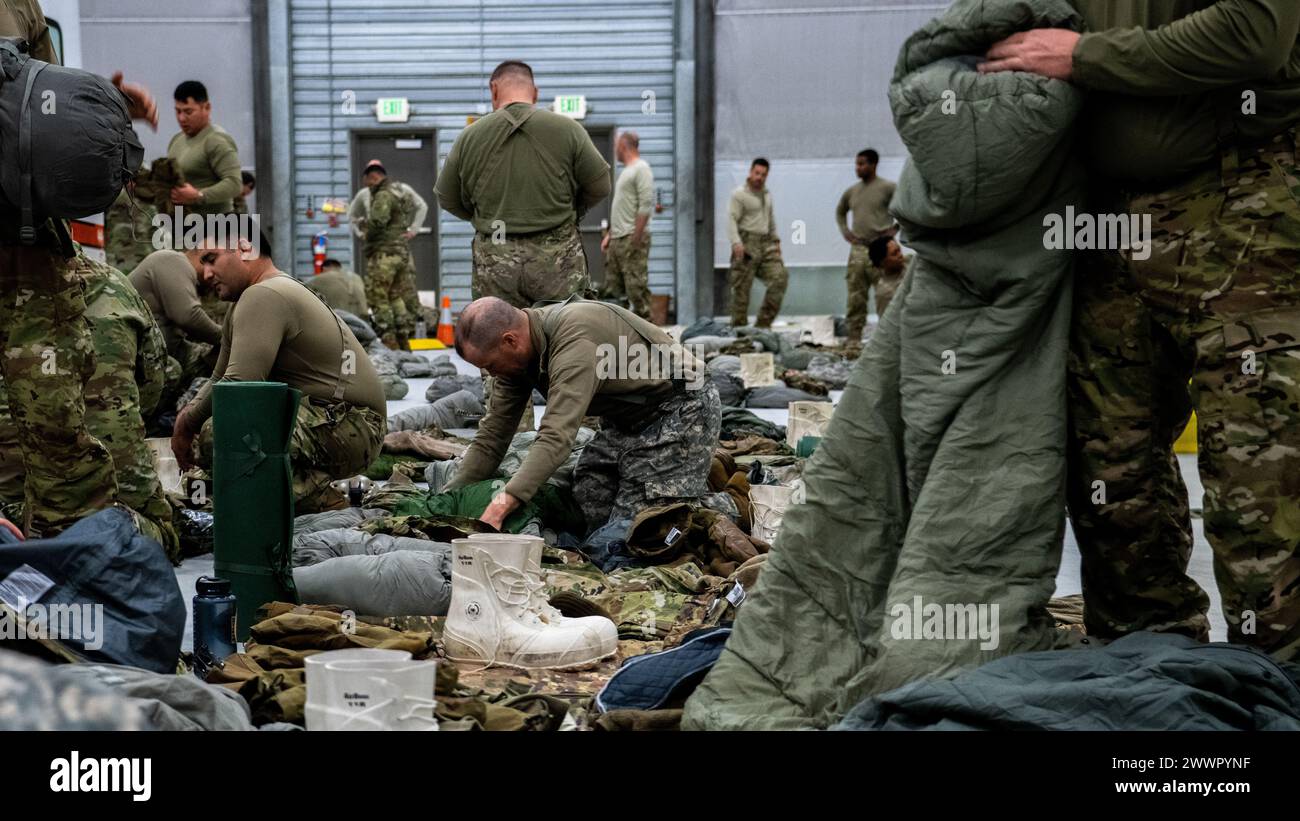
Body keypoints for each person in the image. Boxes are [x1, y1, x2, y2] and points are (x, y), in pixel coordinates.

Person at [981, 0, 1300, 660]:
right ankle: (1152, 679)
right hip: (1103, 214)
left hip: (1244, 197)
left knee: (1260, 482)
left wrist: (1082, 58)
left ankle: (1278, 687)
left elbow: (1256, 35)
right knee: (1112, 475)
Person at [0, 0, 158, 538]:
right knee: (51, 398)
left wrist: (101, 110)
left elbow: (40, 105)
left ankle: (65, 549)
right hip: (25, 244)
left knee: (51, 401)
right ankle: (73, 552)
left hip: (24, 237)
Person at [449, 296, 721, 535]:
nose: (491, 374)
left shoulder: (573, 342)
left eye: (490, 365)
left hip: (681, 408)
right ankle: (679, 483)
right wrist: (448, 500)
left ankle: (718, 505)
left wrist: (501, 506)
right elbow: (492, 437)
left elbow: (556, 437)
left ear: (510, 340)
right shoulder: (516, 359)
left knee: (636, 529)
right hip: (625, 419)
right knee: (589, 498)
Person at [170, 227, 386, 513]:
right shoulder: (251, 298)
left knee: (222, 431)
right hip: (336, 421)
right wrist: (188, 420)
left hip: (354, 427)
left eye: (212, 259)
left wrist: (188, 425)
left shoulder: (266, 294)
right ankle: (294, 485)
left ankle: (314, 495)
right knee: (215, 440)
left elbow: (238, 386)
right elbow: (219, 377)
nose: (206, 273)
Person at [0, 256, 179, 559]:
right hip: (116, 503)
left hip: (13, 512)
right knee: (161, 535)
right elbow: (153, 384)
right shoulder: (115, 285)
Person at [435, 60, 611, 307]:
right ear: (535, 93)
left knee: (499, 335)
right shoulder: (568, 130)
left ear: (493, 90)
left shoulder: (469, 136)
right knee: (562, 335)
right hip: (558, 259)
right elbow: (600, 186)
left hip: (496, 258)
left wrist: (485, 216)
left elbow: (447, 197)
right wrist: (570, 212)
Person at [128, 247, 222, 398]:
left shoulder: (188, 276)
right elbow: (188, 316)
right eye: (212, 260)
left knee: (214, 362)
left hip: (160, 352)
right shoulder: (173, 261)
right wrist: (226, 336)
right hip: (135, 357)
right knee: (173, 370)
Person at [357, 160, 419, 350]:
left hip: (385, 254)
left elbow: (378, 223)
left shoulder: (383, 195)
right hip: (400, 253)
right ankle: (403, 343)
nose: (367, 187)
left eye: (367, 183)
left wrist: (365, 230)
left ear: (373, 177)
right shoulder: (398, 192)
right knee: (395, 296)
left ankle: (390, 345)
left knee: (378, 298)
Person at [837, 149, 898, 341]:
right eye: (856, 164)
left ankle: (889, 337)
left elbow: (906, 207)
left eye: (862, 164)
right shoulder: (852, 191)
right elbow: (840, 211)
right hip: (859, 249)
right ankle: (854, 338)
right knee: (855, 294)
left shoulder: (888, 188)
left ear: (874, 165)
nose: (858, 168)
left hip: (882, 249)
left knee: (889, 293)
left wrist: (895, 229)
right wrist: (846, 232)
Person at [727, 158, 787, 328]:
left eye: (763, 175)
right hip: (746, 243)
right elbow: (731, 219)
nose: (759, 177)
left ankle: (762, 326)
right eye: (757, 173)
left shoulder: (766, 194)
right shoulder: (739, 194)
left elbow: (770, 219)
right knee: (742, 290)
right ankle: (739, 331)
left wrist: (776, 242)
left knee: (780, 277)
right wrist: (736, 242)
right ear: (750, 172)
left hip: (766, 243)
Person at [600, 130, 654, 319]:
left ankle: (650, 338)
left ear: (623, 145)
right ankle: (620, 334)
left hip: (631, 237)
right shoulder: (627, 171)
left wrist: (636, 238)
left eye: (616, 146)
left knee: (636, 289)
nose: (616, 150)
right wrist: (610, 235)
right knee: (613, 290)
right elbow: (623, 209)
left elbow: (646, 204)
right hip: (618, 238)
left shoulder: (641, 168)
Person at [167, 80, 242, 215]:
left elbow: (235, 183)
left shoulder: (216, 141)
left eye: (188, 112)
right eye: (178, 111)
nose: (182, 118)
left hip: (217, 225)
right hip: (183, 225)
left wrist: (199, 195)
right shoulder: (176, 140)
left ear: (206, 108)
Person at [865, 236, 910, 321]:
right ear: (882, 262)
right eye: (894, 253)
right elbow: (886, 324)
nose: (900, 255)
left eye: (899, 250)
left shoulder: (911, 262)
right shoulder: (885, 293)